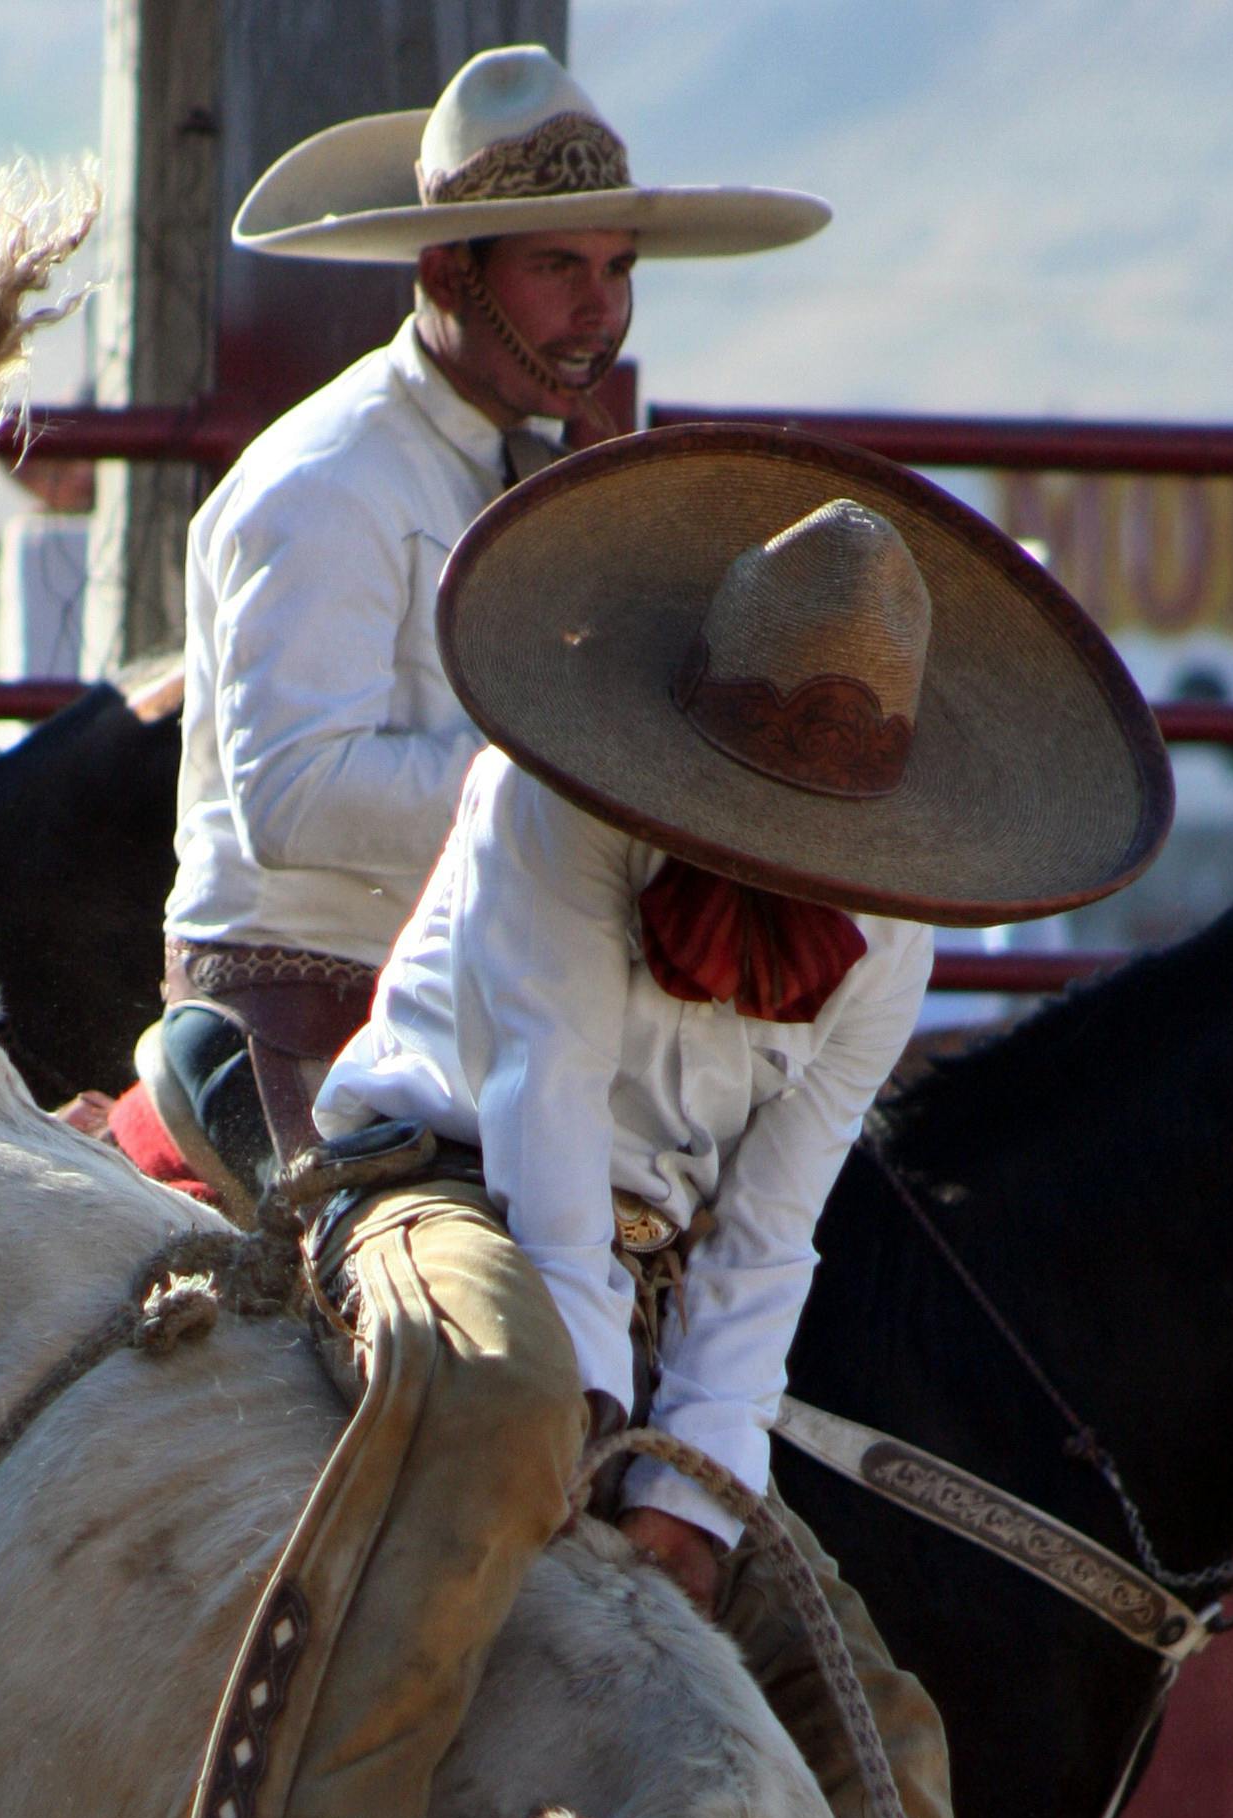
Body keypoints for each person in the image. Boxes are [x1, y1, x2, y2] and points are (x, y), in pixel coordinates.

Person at [291, 427, 1212, 1818]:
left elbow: (768, 1228)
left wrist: (690, 1495)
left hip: (645, 1271)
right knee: (479, 1422)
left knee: (880, 1712)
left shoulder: (883, 929)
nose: (801, 855)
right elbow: (542, 1136)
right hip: (440, 1186)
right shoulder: (550, 813)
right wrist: (594, 1443)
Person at [150, 42, 828, 1190]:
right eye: (557, 265)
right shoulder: (327, 482)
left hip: (494, 1014)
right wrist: (588, 781)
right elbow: (295, 799)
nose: (598, 308)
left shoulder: (572, 470)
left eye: (617, 267)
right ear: (449, 274)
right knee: (464, 1341)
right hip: (310, 1018)